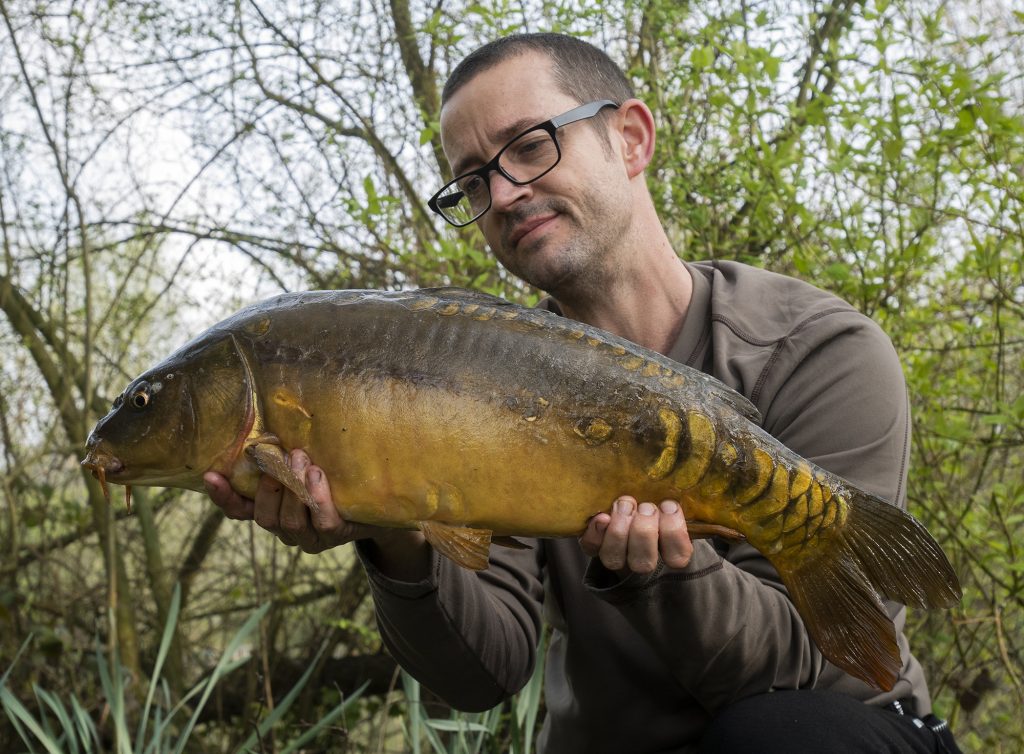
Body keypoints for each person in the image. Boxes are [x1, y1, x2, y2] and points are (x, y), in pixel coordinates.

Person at [205, 33, 962, 753]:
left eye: (530, 146)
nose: (501, 193)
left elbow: (814, 675)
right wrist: (394, 533)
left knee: (774, 740)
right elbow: (485, 672)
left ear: (631, 138)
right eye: (472, 179)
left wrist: (665, 574)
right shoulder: (477, 380)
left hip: (842, 735)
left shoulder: (816, 348)